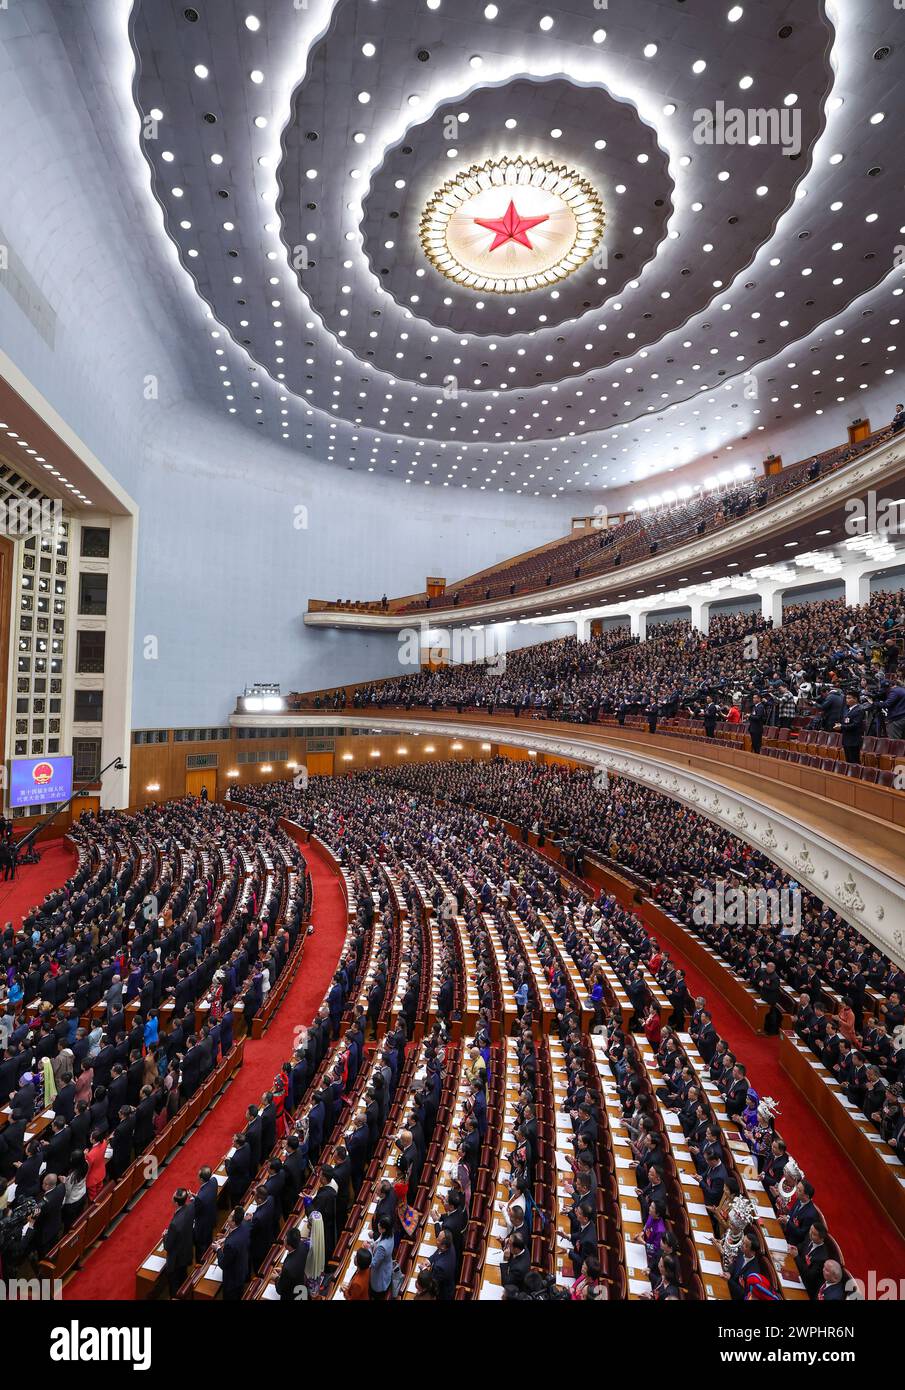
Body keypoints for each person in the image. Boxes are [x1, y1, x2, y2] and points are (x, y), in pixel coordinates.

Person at [163, 1188, 196, 1297]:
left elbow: (168, 1246)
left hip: (176, 1259)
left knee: (175, 1284)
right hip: (186, 1251)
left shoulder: (174, 1224)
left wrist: (165, 1236)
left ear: (176, 1203)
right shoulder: (190, 1208)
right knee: (183, 1276)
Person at [217, 1207, 251, 1301]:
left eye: (230, 1216)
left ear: (233, 1222)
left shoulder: (231, 1245)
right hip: (242, 1268)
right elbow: (237, 1235)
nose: (228, 1216)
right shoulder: (245, 1224)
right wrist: (225, 1238)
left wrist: (218, 1249)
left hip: (233, 1279)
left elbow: (223, 1263)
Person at [369, 1215, 395, 1299]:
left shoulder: (382, 1248)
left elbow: (373, 1264)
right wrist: (372, 1244)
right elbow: (379, 1240)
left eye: (380, 1226)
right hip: (387, 1266)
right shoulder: (390, 1234)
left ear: (384, 1229)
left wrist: (368, 1249)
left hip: (379, 1276)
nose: (378, 1225)